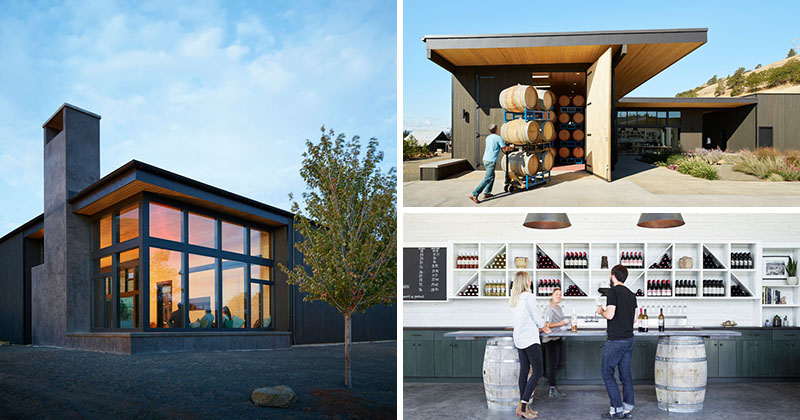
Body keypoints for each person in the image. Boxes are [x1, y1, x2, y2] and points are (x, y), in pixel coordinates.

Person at [596, 265, 637, 419]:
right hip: (629, 339)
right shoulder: (631, 294)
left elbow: (610, 315)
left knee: (606, 373)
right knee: (625, 374)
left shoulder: (612, 292)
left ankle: (616, 408)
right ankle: (627, 408)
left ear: (613, 275)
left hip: (616, 340)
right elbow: (634, 319)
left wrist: (601, 311)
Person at [510, 271, 551, 419]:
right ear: (524, 282)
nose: (531, 282)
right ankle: (523, 405)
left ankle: (524, 407)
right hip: (529, 338)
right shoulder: (528, 296)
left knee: (524, 370)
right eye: (528, 280)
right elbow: (536, 317)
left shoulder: (515, 298)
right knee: (538, 371)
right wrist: (544, 327)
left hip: (519, 338)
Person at [469, 123, 513, 204]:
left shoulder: (488, 137)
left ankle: (487, 193)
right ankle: (474, 194)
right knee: (488, 178)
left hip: (485, 159)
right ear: (496, 129)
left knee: (492, 176)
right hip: (491, 161)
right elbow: (505, 149)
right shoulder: (498, 138)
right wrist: (511, 147)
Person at [543, 288, 570, 398]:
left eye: (560, 294)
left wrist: (565, 325)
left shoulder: (558, 308)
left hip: (557, 337)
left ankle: (551, 384)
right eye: (556, 294)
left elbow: (560, 322)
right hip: (550, 339)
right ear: (551, 296)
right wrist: (562, 323)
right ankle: (552, 389)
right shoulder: (549, 309)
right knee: (552, 364)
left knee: (558, 363)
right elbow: (547, 325)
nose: (559, 296)